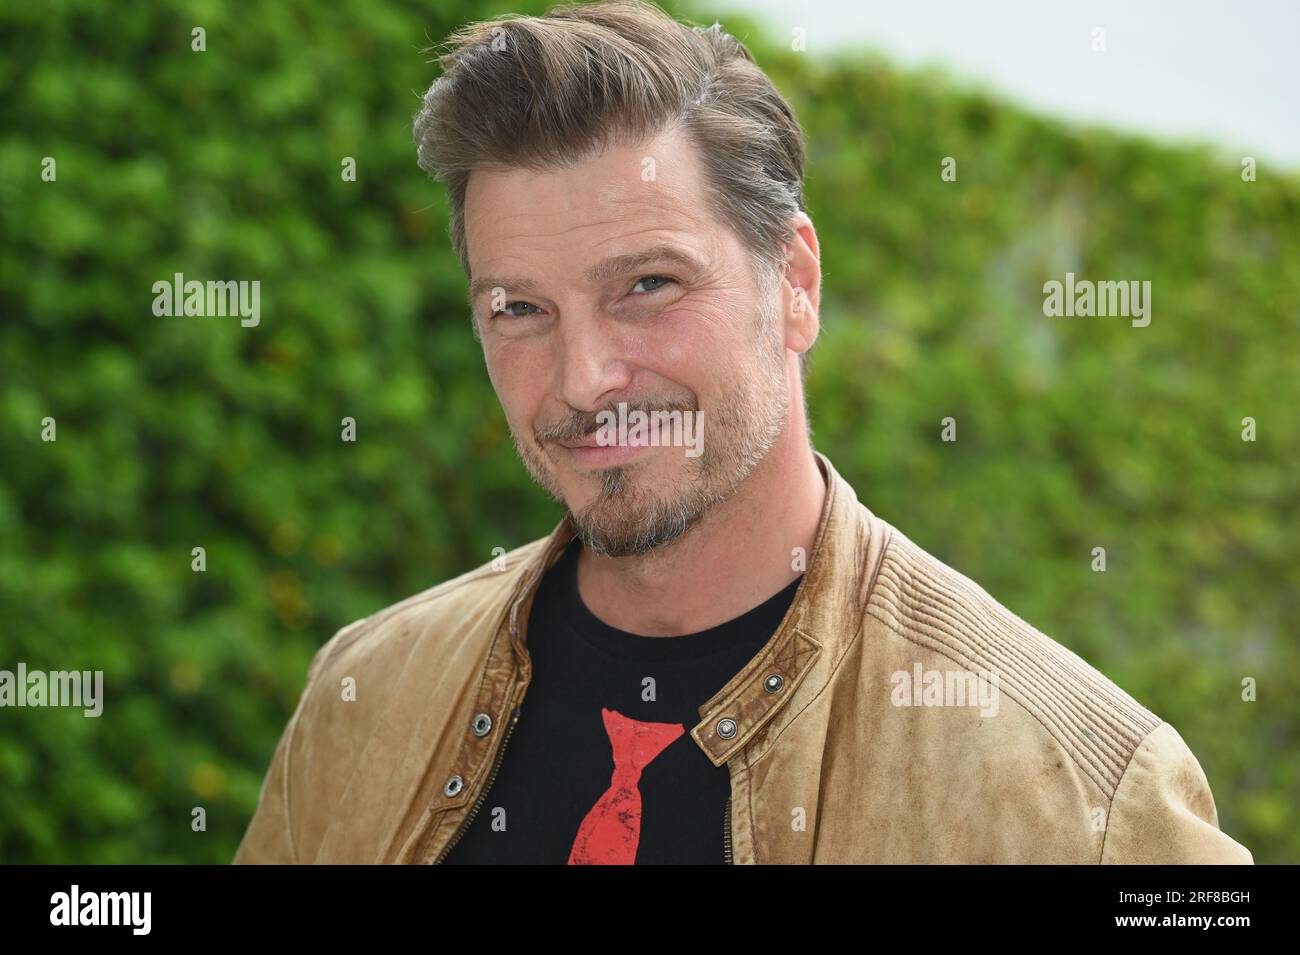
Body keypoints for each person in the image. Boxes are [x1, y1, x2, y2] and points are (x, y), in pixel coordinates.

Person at [233, 0, 1252, 864]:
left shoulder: (1081, 800)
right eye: (518, 309)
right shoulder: (363, 698)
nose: (584, 380)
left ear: (795, 283)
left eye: (648, 284)